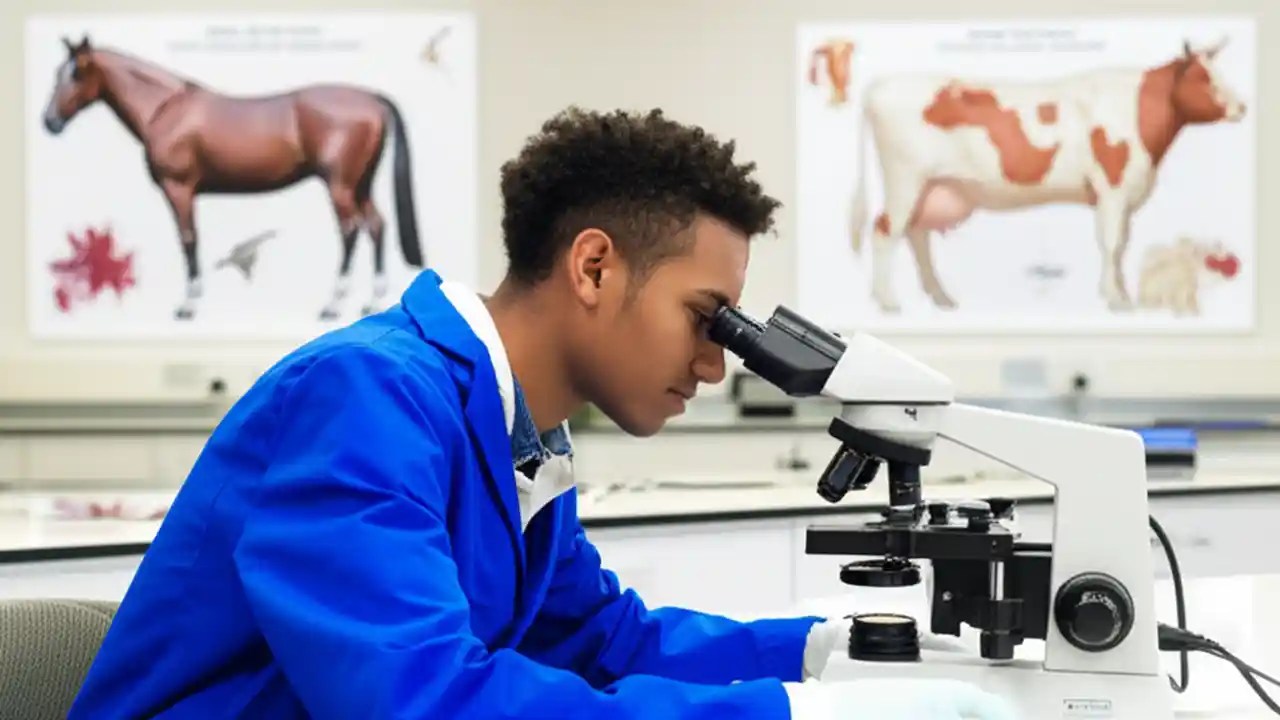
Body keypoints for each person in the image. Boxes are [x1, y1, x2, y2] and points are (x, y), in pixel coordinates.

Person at [69, 107, 1016, 719]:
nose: (718, 364)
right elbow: (423, 701)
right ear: (595, 268)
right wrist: (792, 714)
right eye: (705, 317)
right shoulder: (366, 395)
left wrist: (825, 654)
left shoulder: (520, 430)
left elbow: (602, 644)